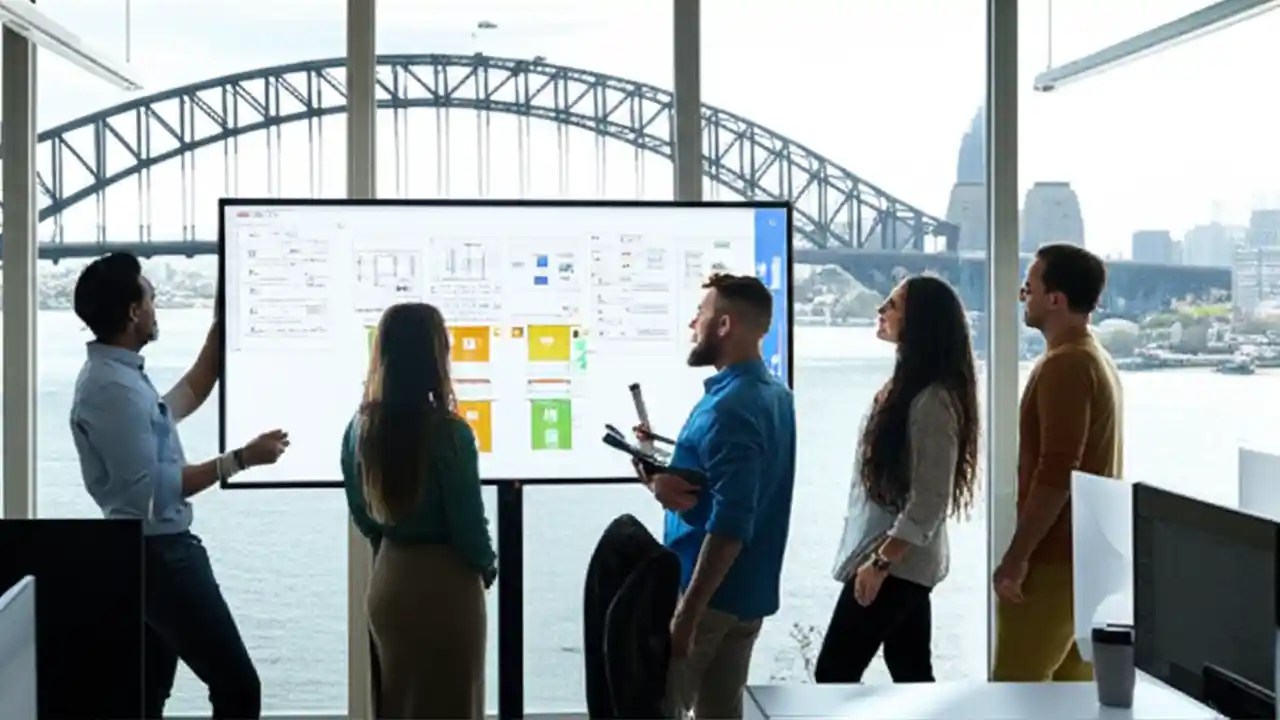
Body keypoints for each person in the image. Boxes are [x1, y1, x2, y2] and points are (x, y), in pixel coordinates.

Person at [69, 252, 290, 719]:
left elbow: (191, 390)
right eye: (150, 297)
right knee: (238, 686)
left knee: (147, 697)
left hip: (145, 554)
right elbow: (159, 492)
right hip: (161, 556)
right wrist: (242, 459)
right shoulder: (113, 390)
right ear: (133, 312)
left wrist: (221, 320)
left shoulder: (120, 379)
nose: (155, 306)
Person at [635, 272, 797, 720]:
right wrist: (660, 476)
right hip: (750, 593)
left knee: (661, 708)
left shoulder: (730, 408)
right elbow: (738, 481)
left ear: (724, 325)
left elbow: (730, 523)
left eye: (701, 314)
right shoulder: (774, 395)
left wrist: (686, 616)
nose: (693, 324)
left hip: (707, 596)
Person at [815, 275, 980, 684]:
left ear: (918, 320)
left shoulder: (932, 402)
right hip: (899, 562)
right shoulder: (907, 389)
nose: (880, 310)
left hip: (894, 563)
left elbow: (930, 499)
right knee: (911, 673)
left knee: (834, 674)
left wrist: (880, 562)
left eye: (891, 304)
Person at [341, 302, 497, 720]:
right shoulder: (450, 434)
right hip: (446, 585)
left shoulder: (358, 430)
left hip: (390, 580)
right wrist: (487, 565)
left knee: (398, 702)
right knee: (454, 705)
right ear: (435, 357)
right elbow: (468, 524)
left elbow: (362, 512)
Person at [992, 243, 1123, 682]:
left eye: (1028, 288)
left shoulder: (1065, 366)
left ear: (1055, 299)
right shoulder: (1096, 357)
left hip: (1055, 563)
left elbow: (1056, 473)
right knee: (1073, 700)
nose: (1021, 297)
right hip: (1092, 560)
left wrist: (1017, 556)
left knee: (1015, 692)